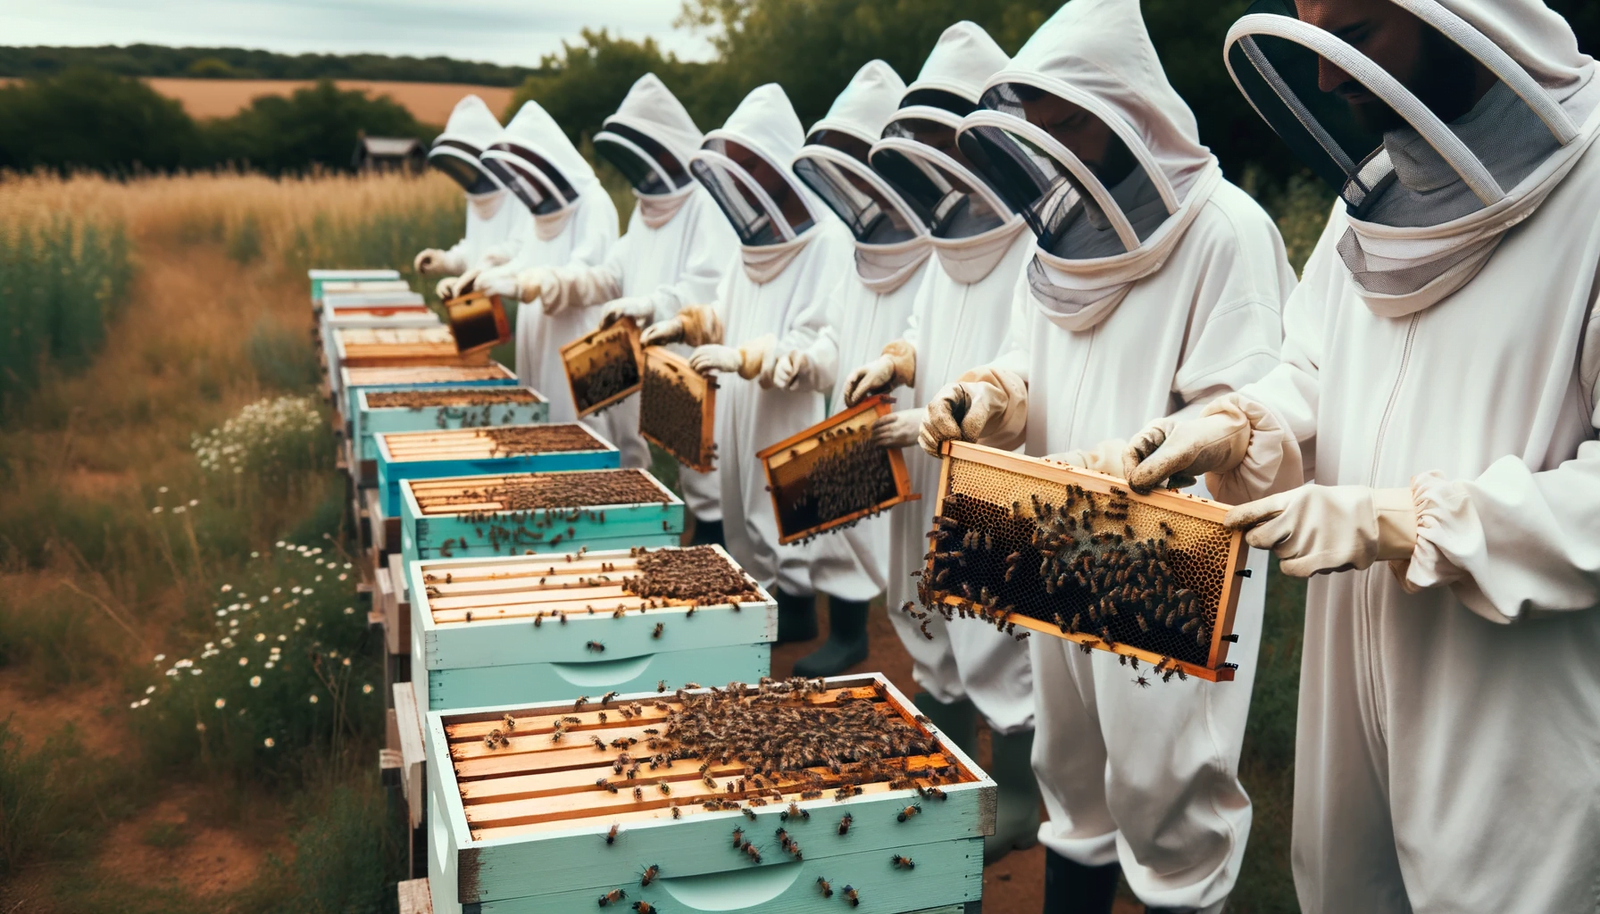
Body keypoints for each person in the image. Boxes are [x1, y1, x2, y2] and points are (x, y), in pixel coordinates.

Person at [1121, 1, 1600, 911]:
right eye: (1318, 37)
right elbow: (1313, 366)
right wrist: (1241, 422)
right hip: (1350, 660)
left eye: (1358, 35)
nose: (1330, 76)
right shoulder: (1379, 197)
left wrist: (1406, 522)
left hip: (1512, 690)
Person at [914, 0, 1295, 908]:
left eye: (1070, 116)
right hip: (1053, 537)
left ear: (1130, 112)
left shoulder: (1226, 232)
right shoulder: (1060, 239)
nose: (1052, 138)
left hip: (1168, 560)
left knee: (1170, 781)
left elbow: (1240, 407)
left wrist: (1155, 452)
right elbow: (1028, 358)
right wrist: (989, 397)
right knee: (1072, 762)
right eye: (1038, 118)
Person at [842, 20, 1040, 863]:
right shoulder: (947, 231)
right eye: (916, 136)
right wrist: (897, 358)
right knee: (935, 614)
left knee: (1003, 630)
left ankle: (1024, 799)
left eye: (937, 135)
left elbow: (1025, 359)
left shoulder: (1039, 233)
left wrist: (960, 408)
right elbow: (930, 326)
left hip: (1000, 470)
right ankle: (954, 778)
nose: (928, 154)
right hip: (931, 464)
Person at [639, 83, 849, 643]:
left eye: (753, 162)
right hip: (736, 400)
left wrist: (754, 358)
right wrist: (688, 324)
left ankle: (799, 609)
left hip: (784, 406)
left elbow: (818, 340)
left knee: (784, 502)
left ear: (779, 163)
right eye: (738, 165)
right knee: (740, 496)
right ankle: (761, 599)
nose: (745, 176)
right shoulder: (750, 241)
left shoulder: (826, 242)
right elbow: (725, 311)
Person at [768, 59, 936, 676]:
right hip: (858, 412)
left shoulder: (939, 246)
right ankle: (848, 630)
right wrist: (808, 361)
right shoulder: (856, 244)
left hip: (918, 418)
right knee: (846, 519)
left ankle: (937, 673)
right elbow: (835, 332)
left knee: (918, 543)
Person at [490, 74, 739, 486]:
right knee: (632, 452)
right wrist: (550, 283)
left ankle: (707, 528)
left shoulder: (704, 202)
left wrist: (652, 304)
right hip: (639, 353)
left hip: (691, 360)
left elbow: (709, 283)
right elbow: (610, 274)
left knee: (703, 477)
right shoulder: (646, 211)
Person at [460, 101, 620, 424]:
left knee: (590, 438)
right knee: (545, 427)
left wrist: (534, 283)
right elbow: (525, 259)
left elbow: (591, 277)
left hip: (583, 341)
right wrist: (488, 273)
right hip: (542, 336)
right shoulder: (542, 211)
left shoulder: (595, 203)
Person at [413, 95, 526, 289]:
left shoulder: (521, 191)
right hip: (484, 301)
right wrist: (445, 260)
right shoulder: (478, 196)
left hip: (512, 295)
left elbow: (520, 248)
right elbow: (474, 248)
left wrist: (488, 264)